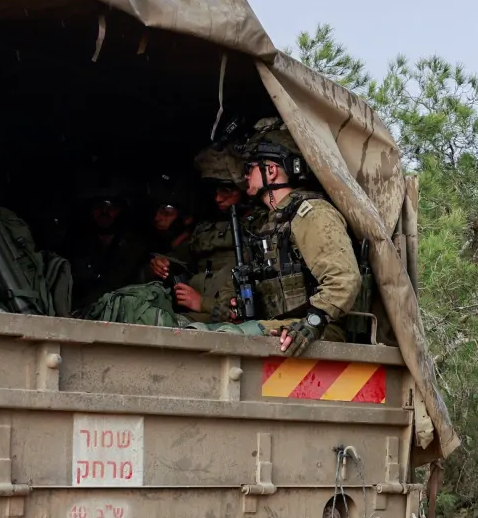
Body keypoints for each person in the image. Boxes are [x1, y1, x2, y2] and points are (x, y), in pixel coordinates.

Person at [239, 122, 360, 356]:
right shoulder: (271, 221)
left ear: (271, 171)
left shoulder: (312, 212)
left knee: (223, 336)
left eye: (250, 167)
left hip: (315, 332)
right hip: (284, 326)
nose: (244, 175)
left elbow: (343, 280)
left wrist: (312, 323)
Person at [153, 148, 253, 321]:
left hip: (223, 313)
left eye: (226, 191)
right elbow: (183, 254)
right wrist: (162, 262)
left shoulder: (258, 227)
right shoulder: (207, 226)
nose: (218, 198)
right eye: (215, 192)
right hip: (196, 307)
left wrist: (202, 302)